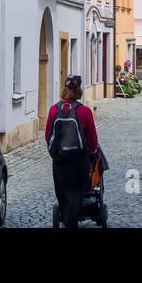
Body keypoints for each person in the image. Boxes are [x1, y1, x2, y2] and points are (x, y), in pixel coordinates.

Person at [45, 74, 99, 227]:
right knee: (76, 193)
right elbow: (93, 140)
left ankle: (66, 218)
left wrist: (56, 152)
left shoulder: (53, 109)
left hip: (60, 161)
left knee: (62, 192)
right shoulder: (85, 111)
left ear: (64, 89)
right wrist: (91, 153)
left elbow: (47, 135)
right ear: (79, 91)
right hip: (79, 161)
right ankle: (71, 221)